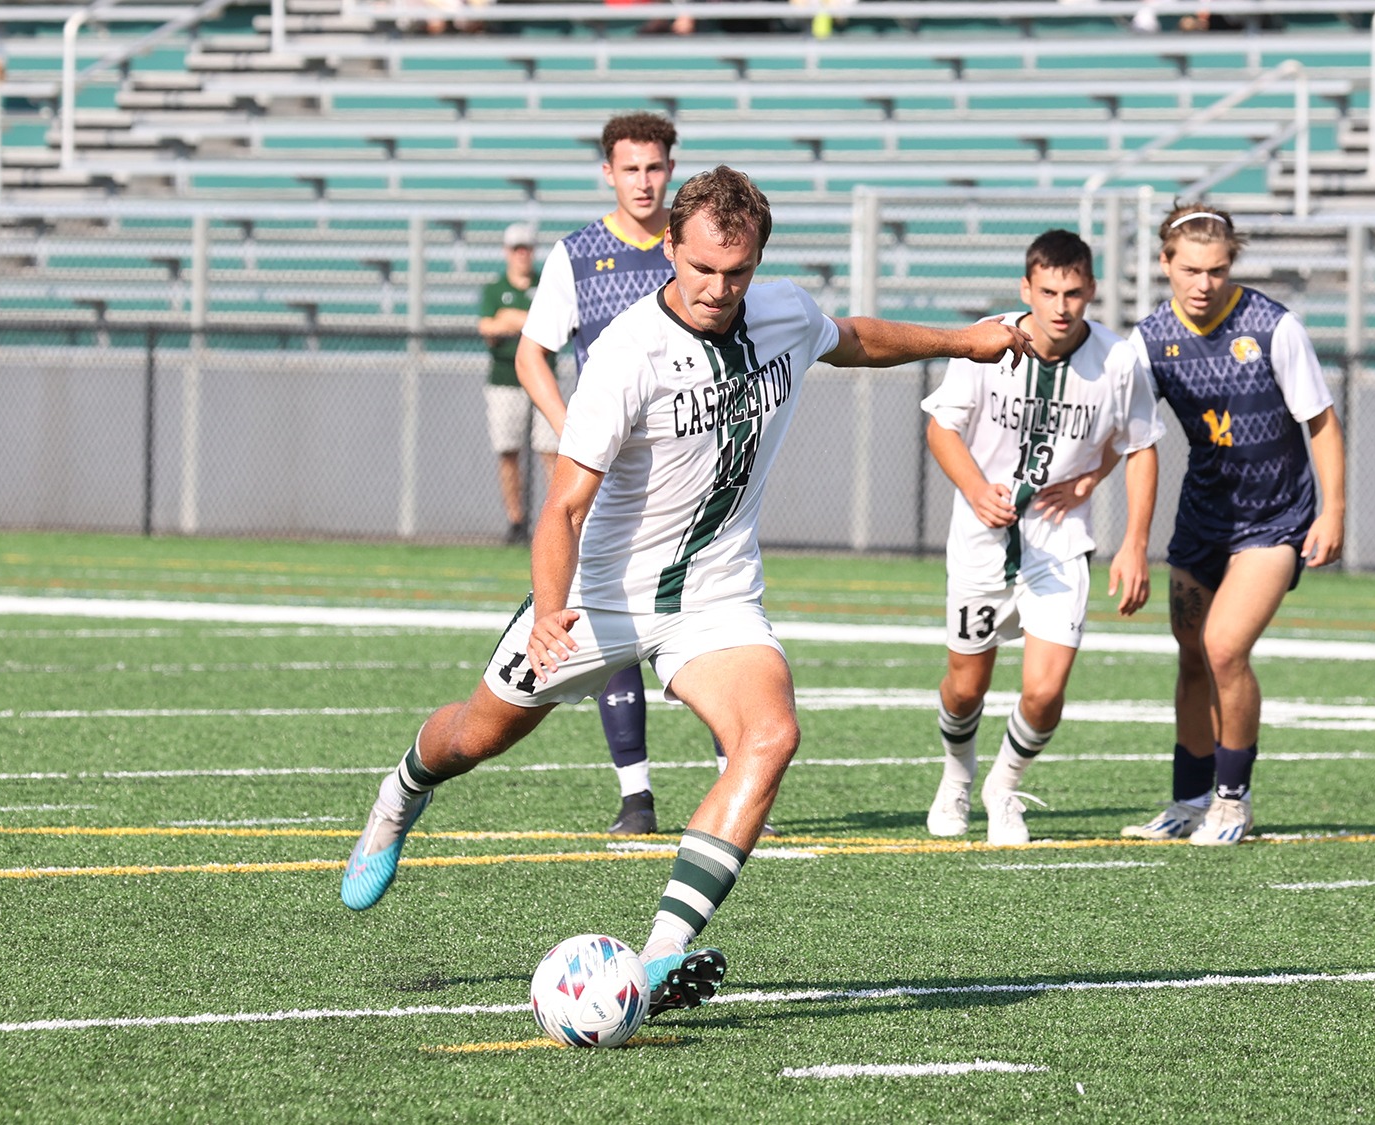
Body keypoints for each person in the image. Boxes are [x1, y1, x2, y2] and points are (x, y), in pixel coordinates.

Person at [341, 166, 1029, 1015]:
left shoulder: (780, 311)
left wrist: (965, 340)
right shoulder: (627, 355)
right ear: (671, 247)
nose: (717, 287)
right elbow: (562, 504)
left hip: (715, 595)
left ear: (757, 261)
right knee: (473, 737)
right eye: (701, 268)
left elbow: (849, 338)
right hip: (598, 597)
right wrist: (551, 605)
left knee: (770, 734)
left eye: (735, 272)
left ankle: (659, 954)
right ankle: (398, 795)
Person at [923, 230, 1163, 845]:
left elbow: (1138, 446)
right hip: (981, 539)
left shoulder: (1118, 359)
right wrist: (977, 489)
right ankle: (956, 775)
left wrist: (1133, 540)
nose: (1061, 306)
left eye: (1075, 292)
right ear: (1026, 288)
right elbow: (942, 430)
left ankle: (1003, 787)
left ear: (1092, 292)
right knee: (965, 683)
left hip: (1059, 542)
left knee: (1047, 688)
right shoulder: (986, 340)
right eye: (1049, 291)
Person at [517, 112, 720, 837]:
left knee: (716, 605)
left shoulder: (691, 247)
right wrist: (568, 422)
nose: (644, 180)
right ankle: (637, 794)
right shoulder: (577, 255)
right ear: (608, 172)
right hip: (612, 468)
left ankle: (736, 765)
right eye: (630, 168)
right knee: (611, 614)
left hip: (694, 461)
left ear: (672, 167)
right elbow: (532, 353)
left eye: (655, 166)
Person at [1119, 203, 1345, 846]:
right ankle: (1188, 799)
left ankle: (1231, 800)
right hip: (1202, 521)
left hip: (1274, 518)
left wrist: (1334, 510)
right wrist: (1128, 537)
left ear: (1231, 267)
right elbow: (1134, 438)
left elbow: (1320, 421)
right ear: (1165, 264)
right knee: (1191, 660)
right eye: (1190, 269)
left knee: (1223, 648)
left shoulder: (1273, 327)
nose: (1203, 283)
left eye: (1216, 270)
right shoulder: (1149, 340)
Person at [479, 222, 540, 545]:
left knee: (552, 451)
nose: (522, 255)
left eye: (526, 248)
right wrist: (527, 320)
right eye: (516, 249)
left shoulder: (544, 283)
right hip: (505, 378)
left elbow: (554, 324)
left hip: (543, 376)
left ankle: (550, 519)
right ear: (507, 252)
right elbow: (487, 327)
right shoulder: (494, 287)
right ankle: (516, 521)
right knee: (508, 451)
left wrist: (511, 318)